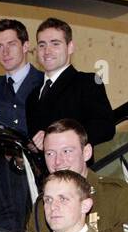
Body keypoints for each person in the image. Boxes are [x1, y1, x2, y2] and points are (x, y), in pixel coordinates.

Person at [25, 18, 115, 150]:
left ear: (70, 47)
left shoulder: (88, 83)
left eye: (55, 44)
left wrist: (56, 139)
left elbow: (105, 128)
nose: (47, 51)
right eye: (42, 45)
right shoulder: (32, 97)